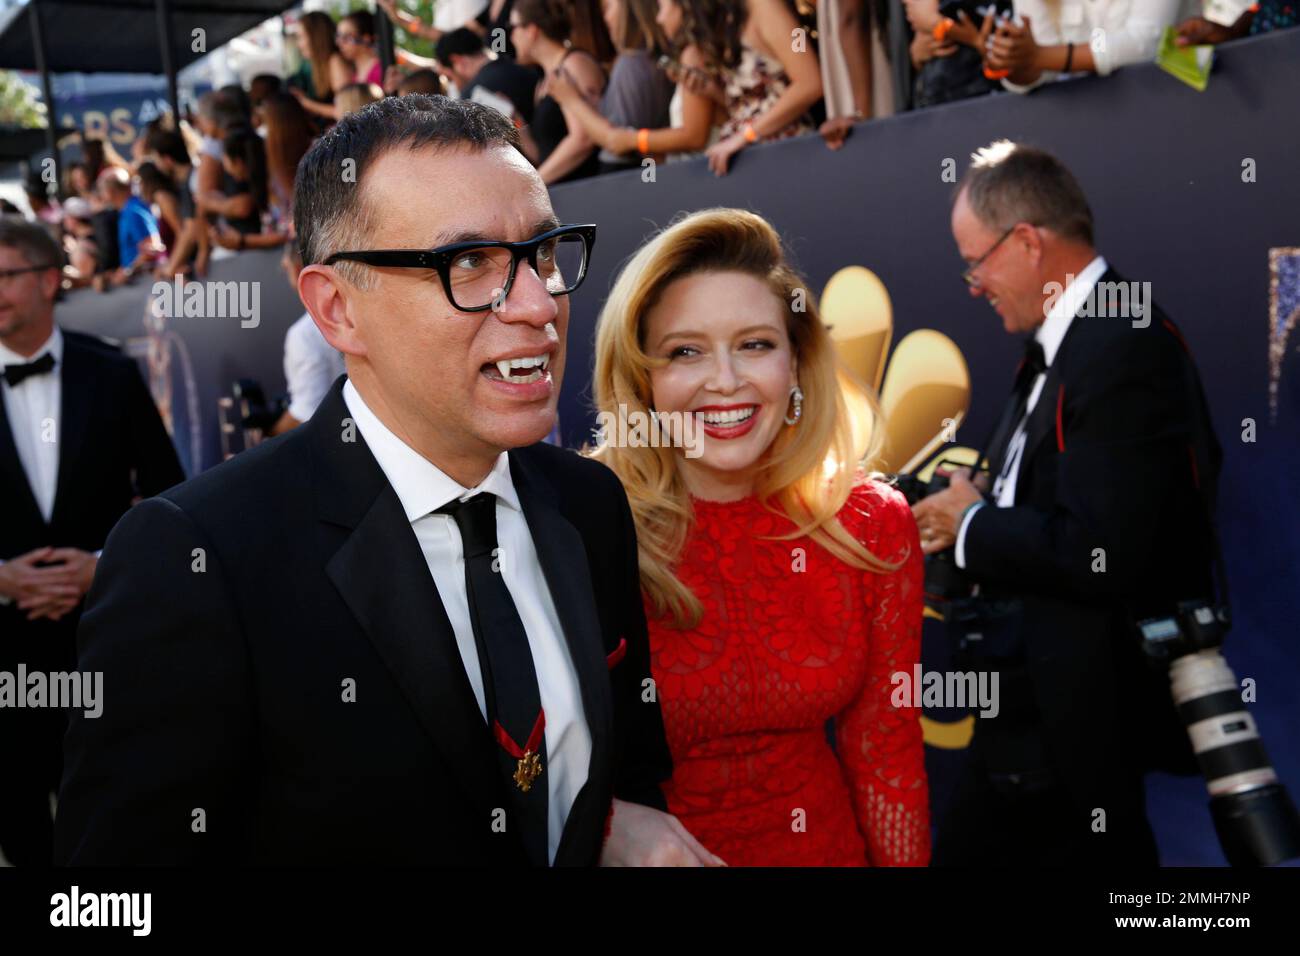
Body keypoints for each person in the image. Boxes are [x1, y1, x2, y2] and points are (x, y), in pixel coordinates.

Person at [55, 95, 715, 867]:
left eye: (542, 252)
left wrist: (611, 823)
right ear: (336, 310)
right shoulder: (197, 562)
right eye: (469, 263)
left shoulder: (589, 504)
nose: (540, 303)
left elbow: (622, 768)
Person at [588, 208, 931, 866]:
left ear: (797, 364)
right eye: (684, 351)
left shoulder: (869, 524)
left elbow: (887, 755)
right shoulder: (586, 523)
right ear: (643, 378)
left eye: (755, 344)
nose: (726, 381)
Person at [911, 141, 1219, 865]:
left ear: (1026, 242)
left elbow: (1102, 548)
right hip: (1029, 713)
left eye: (975, 261)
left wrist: (972, 525)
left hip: (1079, 719)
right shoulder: (1066, 344)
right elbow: (1053, 495)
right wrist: (976, 502)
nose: (972, 284)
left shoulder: (1124, 343)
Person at [0, 216, 183, 866]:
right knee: (20, 827)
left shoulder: (109, 372)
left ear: (49, 280)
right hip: (3, 653)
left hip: (104, 638)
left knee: (117, 823)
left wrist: (102, 568)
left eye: (5, 276)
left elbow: (170, 498)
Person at [691, 0, 824, 175]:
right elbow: (752, 104)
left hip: (784, 155)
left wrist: (745, 136)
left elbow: (810, 83)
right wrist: (712, 91)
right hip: (743, 160)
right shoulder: (725, 16)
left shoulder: (764, 6)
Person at [987, 0, 1194, 92]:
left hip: (1174, 100)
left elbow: (1142, 41)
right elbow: (1041, 70)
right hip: (1084, 119)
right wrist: (1010, 61)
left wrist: (1040, 56)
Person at [510, 0, 608, 184]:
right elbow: (545, 152)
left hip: (587, 189)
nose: (511, 37)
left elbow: (583, 139)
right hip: (563, 194)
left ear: (532, 30)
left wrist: (535, 183)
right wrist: (516, 123)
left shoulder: (574, 64)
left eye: (513, 27)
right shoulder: (543, 82)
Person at [269, 241, 345, 436]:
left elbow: (307, 411)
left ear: (296, 270)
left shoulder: (303, 335)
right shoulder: (356, 311)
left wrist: (269, 437)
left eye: (285, 268)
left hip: (335, 439)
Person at [435, 26, 541, 123]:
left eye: (449, 78)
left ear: (457, 60)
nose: (453, 86)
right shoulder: (519, 65)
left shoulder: (470, 99)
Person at [96, 166, 161, 280]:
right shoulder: (127, 211)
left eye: (101, 190)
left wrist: (128, 271)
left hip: (146, 284)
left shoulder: (133, 211)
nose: (100, 196)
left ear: (110, 191)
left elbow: (151, 247)